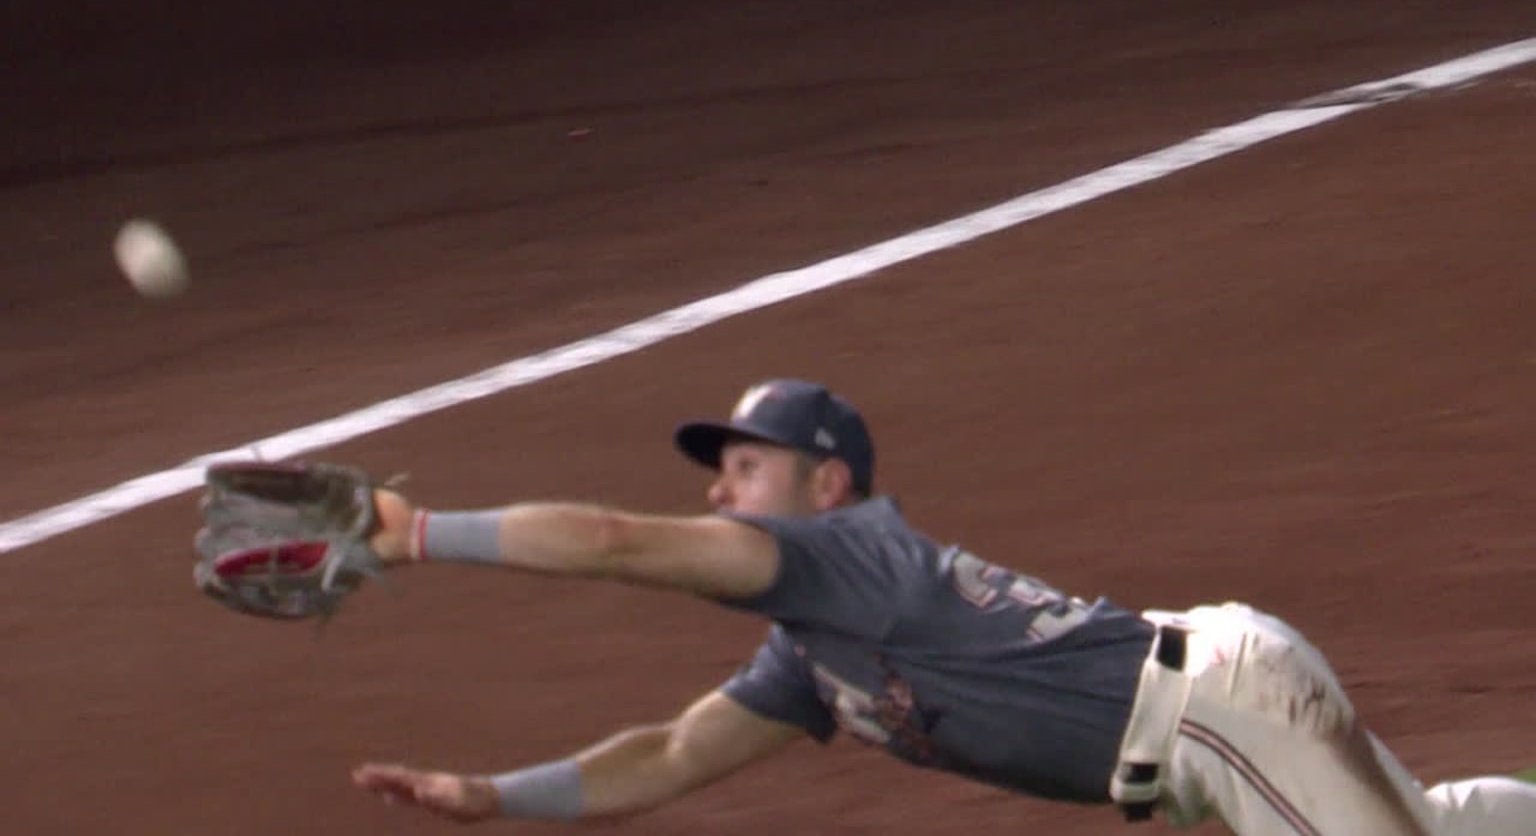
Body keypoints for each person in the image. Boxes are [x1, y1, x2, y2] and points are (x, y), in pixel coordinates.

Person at [348, 378, 1534, 833]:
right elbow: (661, 756)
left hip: (1218, 713)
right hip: (1218, 707)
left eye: (747, 468)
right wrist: (494, 798)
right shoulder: (812, 659)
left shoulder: (841, 559)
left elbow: (613, 542)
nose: (723, 493)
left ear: (831, 483)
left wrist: (423, 537)